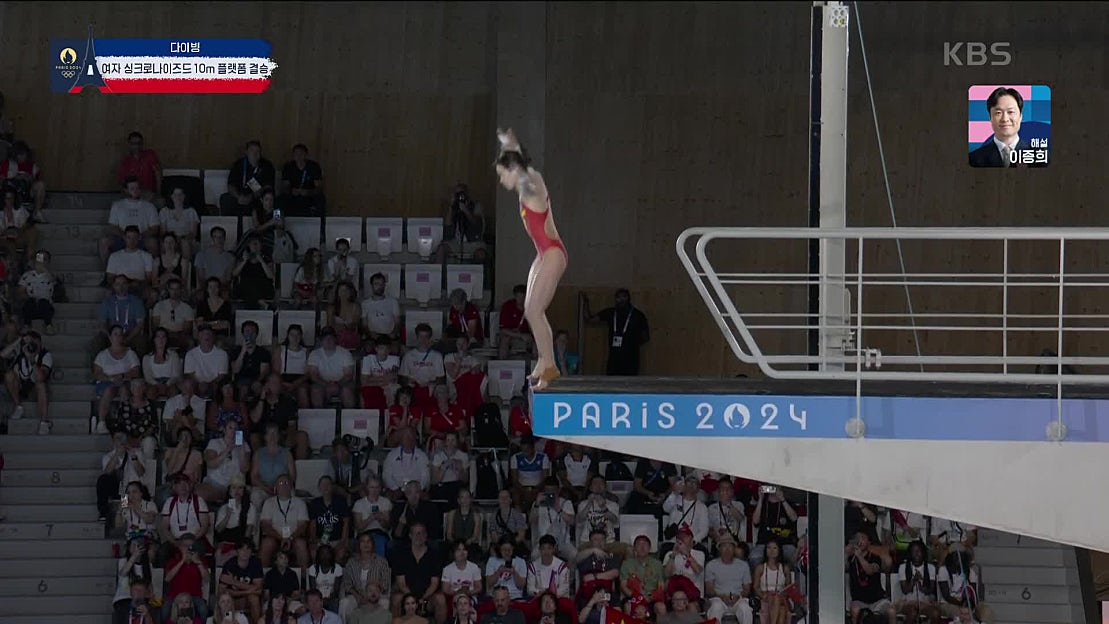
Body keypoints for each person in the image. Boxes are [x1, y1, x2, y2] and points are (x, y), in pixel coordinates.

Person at [494, 128, 567, 389]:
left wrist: (513, 149)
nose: (501, 180)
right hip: (543, 253)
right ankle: (544, 360)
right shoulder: (524, 185)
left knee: (535, 311)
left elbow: (524, 170)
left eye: (502, 174)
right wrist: (510, 146)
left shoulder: (531, 185)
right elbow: (520, 165)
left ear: (514, 170)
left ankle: (550, 365)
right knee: (529, 309)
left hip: (553, 254)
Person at [968, 87, 1045, 168]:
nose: (1005, 119)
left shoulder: (1038, 157)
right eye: (998, 113)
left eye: (1010, 112)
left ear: (1020, 116)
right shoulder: (973, 159)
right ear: (990, 117)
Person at [583, 289, 649, 376]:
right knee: (611, 382)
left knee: (629, 382)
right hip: (614, 360)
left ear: (629, 298)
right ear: (615, 299)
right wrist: (586, 302)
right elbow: (589, 319)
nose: (621, 300)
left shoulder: (638, 315)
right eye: (618, 297)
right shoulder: (610, 313)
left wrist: (631, 343)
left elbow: (645, 337)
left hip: (631, 361)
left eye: (624, 297)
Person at [2, 329, 52, 434]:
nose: (33, 346)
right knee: (8, 375)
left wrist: (32, 359)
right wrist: (19, 340)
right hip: (21, 385)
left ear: (40, 343)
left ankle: (44, 422)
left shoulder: (46, 355)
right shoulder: (21, 350)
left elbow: (41, 377)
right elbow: (3, 355)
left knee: (41, 385)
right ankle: (18, 406)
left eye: (35, 343)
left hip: (35, 388)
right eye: (31, 343)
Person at [704, 535, 754, 624]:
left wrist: (738, 596)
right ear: (719, 549)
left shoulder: (743, 565)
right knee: (715, 608)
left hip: (738, 599)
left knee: (745, 609)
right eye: (724, 546)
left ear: (734, 548)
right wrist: (722, 597)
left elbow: (747, 589)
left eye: (730, 546)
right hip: (718, 599)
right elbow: (709, 590)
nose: (727, 549)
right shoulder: (711, 565)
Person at [17, 249, 56, 334]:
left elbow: (53, 280)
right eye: (39, 258)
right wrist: (27, 297)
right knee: (29, 303)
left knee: (43, 302)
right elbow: (20, 291)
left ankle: (48, 325)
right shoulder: (27, 275)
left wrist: (44, 269)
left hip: (45, 307)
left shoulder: (50, 275)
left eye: (44, 259)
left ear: (48, 262)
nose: (41, 261)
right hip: (32, 306)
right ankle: (27, 325)